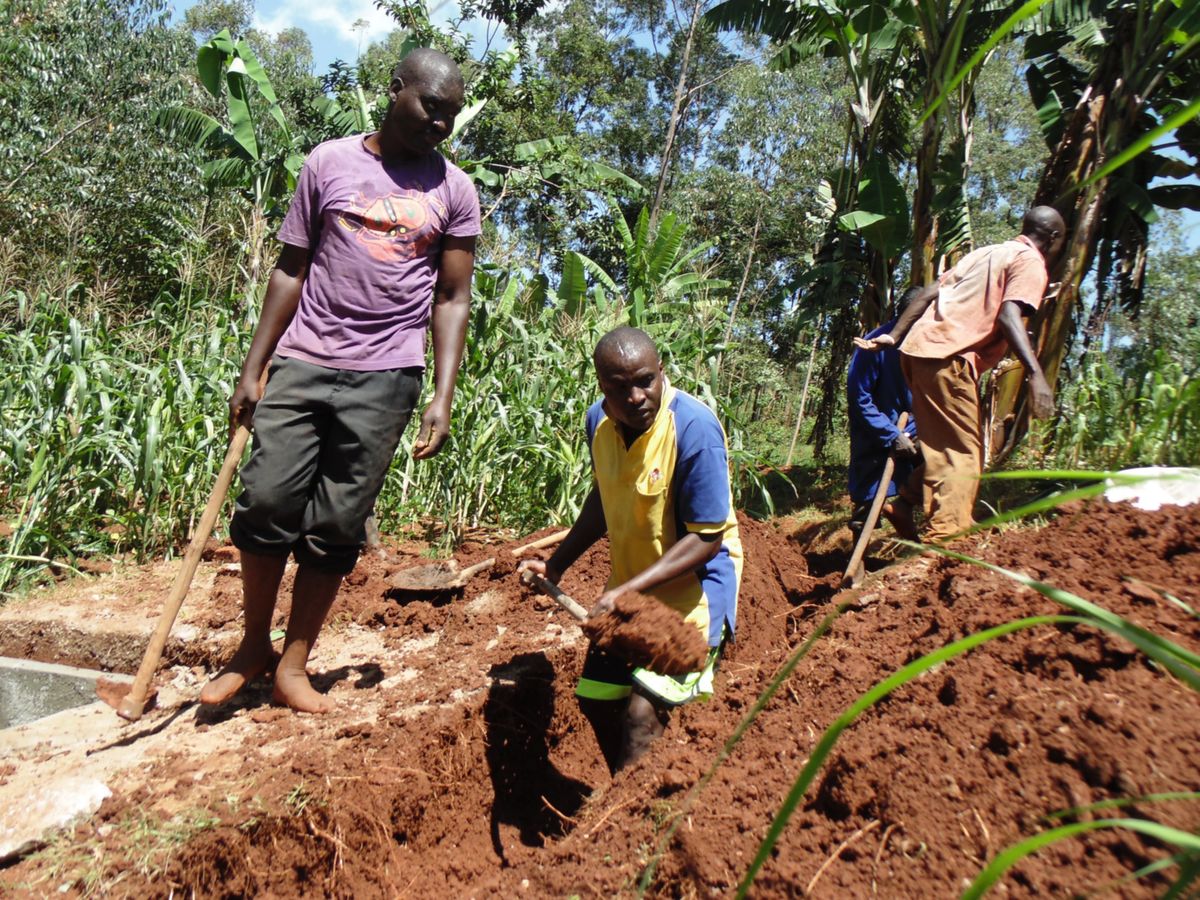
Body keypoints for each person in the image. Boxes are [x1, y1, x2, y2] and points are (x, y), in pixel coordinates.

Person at [201, 49, 480, 713]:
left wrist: (441, 393)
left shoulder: (455, 191)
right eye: (428, 107)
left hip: (386, 376)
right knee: (266, 503)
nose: (438, 124)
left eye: (449, 115)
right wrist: (254, 364)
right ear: (396, 91)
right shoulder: (328, 163)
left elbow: (452, 297)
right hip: (304, 358)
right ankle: (252, 647)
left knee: (336, 526)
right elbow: (290, 268)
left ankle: (294, 665)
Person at [518, 327, 743, 772]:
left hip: (694, 595)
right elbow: (604, 497)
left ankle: (638, 826)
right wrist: (557, 564)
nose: (636, 396)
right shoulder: (596, 423)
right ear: (602, 385)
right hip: (631, 588)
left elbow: (706, 538)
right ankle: (628, 799)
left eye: (645, 381)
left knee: (643, 716)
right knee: (599, 701)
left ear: (662, 372)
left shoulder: (694, 429)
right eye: (620, 388)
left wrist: (626, 592)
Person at [853, 206, 1066, 542]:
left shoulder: (985, 253)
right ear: (1053, 239)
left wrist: (894, 337)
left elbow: (928, 293)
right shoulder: (1029, 262)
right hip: (948, 358)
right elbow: (1010, 317)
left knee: (944, 449)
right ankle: (947, 539)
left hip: (920, 354)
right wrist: (1036, 374)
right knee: (964, 456)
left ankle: (905, 502)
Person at [846, 289, 922, 542]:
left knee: (939, 469)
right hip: (875, 431)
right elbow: (860, 397)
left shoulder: (931, 341)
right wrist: (891, 434)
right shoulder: (875, 343)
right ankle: (857, 567)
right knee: (867, 499)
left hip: (915, 429)